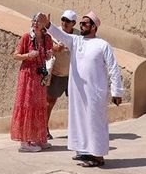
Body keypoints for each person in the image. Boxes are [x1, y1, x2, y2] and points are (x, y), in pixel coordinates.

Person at [47, 11, 124, 168]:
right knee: (80, 121)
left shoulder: (103, 45)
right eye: (80, 23)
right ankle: (84, 151)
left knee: (95, 123)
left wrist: (116, 92)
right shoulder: (75, 40)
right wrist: (48, 25)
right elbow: (60, 35)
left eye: (84, 24)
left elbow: (113, 68)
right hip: (78, 92)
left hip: (95, 93)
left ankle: (98, 156)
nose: (81, 26)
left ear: (93, 27)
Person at [9, 12, 54, 152]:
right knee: (27, 105)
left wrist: (49, 54)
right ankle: (25, 142)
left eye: (38, 21)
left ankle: (38, 138)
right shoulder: (26, 37)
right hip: (28, 75)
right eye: (34, 20)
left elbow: (49, 54)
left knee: (39, 105)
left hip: (40, 76)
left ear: (43, 24)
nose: (35, 23)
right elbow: (15, 55)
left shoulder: (47, 38)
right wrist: (28, 55)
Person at [45, 9, 76, 133]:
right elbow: (44, 47)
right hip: (57, 74)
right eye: (63, 19)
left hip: (74, 75)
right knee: (50, 102)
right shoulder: (53, 32)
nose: (64, 23)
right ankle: (44, 128)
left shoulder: (78, 35)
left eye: (68, 21)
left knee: (77, 103)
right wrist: (54, 48)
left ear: (73, 23)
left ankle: (78, 129)